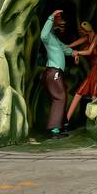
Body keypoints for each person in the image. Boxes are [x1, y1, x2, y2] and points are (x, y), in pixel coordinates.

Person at [40, 9, 74, 138]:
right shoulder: (47, 37)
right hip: (53, 72)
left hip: (55, 72)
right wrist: (51, 17)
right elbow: (42, 35)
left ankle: (61, 124)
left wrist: (74, 53)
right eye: (59, 19)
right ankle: (54, 129)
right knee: (60, 98)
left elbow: (64, 48)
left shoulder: (54, 38)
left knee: (61, 97)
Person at [64, 21, 97, 130]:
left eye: (84, 26)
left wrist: (77, 53)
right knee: (80, 92)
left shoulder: (96, 37)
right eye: (81, 28)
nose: (82, 28)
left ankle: (96, 120)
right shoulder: (86, 38)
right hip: (92, 70)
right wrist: (67, 50)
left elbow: (89, 51)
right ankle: (66, 120)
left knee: (93, 93)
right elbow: (71, 46)